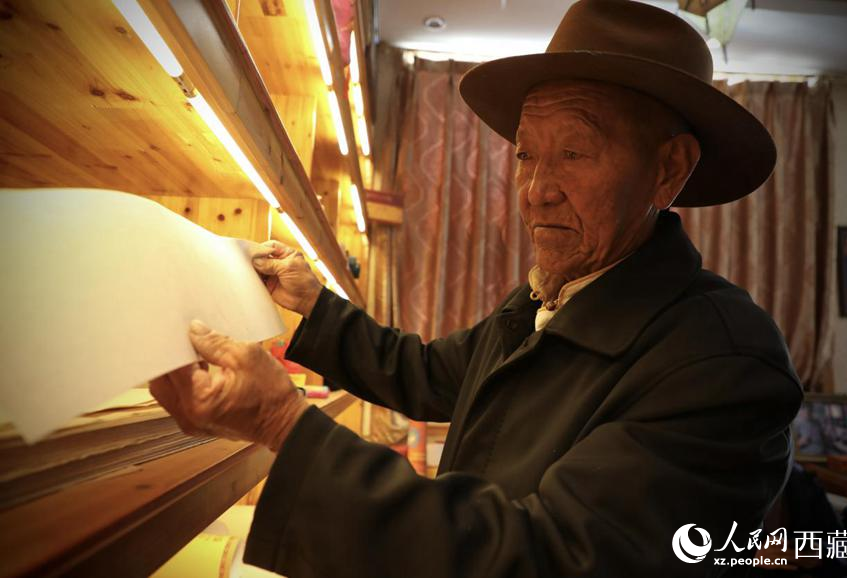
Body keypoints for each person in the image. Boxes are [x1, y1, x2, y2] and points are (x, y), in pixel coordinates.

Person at [149, 1, 804, 576]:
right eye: (525, 154)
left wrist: (280, 424)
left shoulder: (722, 364)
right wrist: (312, 303)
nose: (536, 190)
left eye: (573, 153)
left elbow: (551, 558)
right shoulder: (551, 299)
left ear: (668, 170)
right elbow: (433, 374)